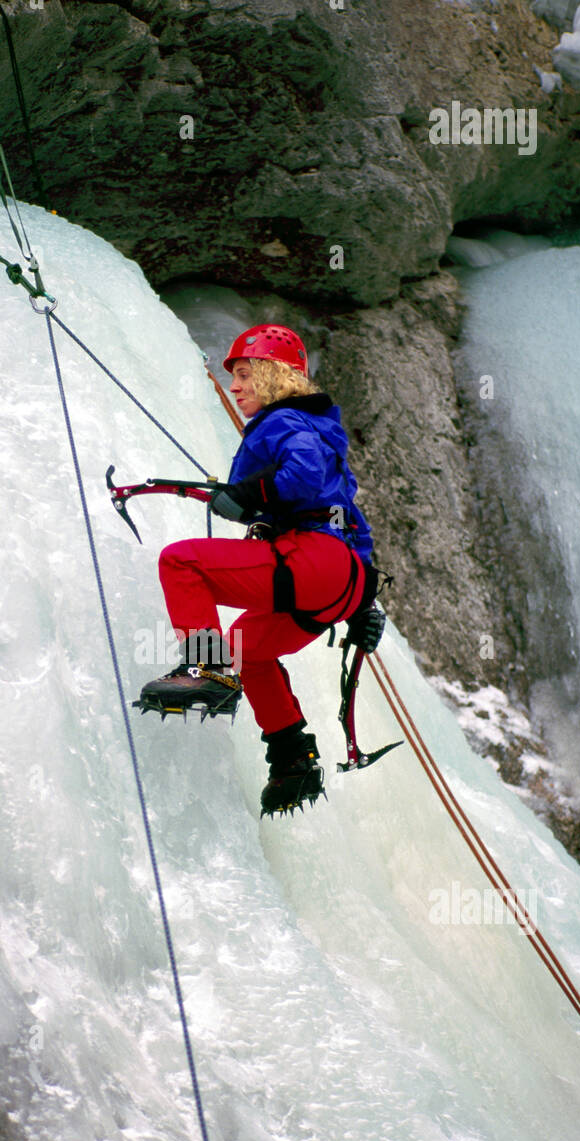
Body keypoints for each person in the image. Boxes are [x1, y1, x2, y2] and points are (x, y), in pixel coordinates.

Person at [135, 324, 382, 816]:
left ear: (274, 375)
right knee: (248, 646)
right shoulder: (317, 430)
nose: (236, 386)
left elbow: (302, 475)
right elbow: (345, 513)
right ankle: (293, 759)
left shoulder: (283, 421)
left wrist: (248, 495)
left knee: (182, 560)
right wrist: (364, 601)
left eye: (246, 374)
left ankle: (206, 670)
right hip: (341, 579)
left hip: (311, 560)